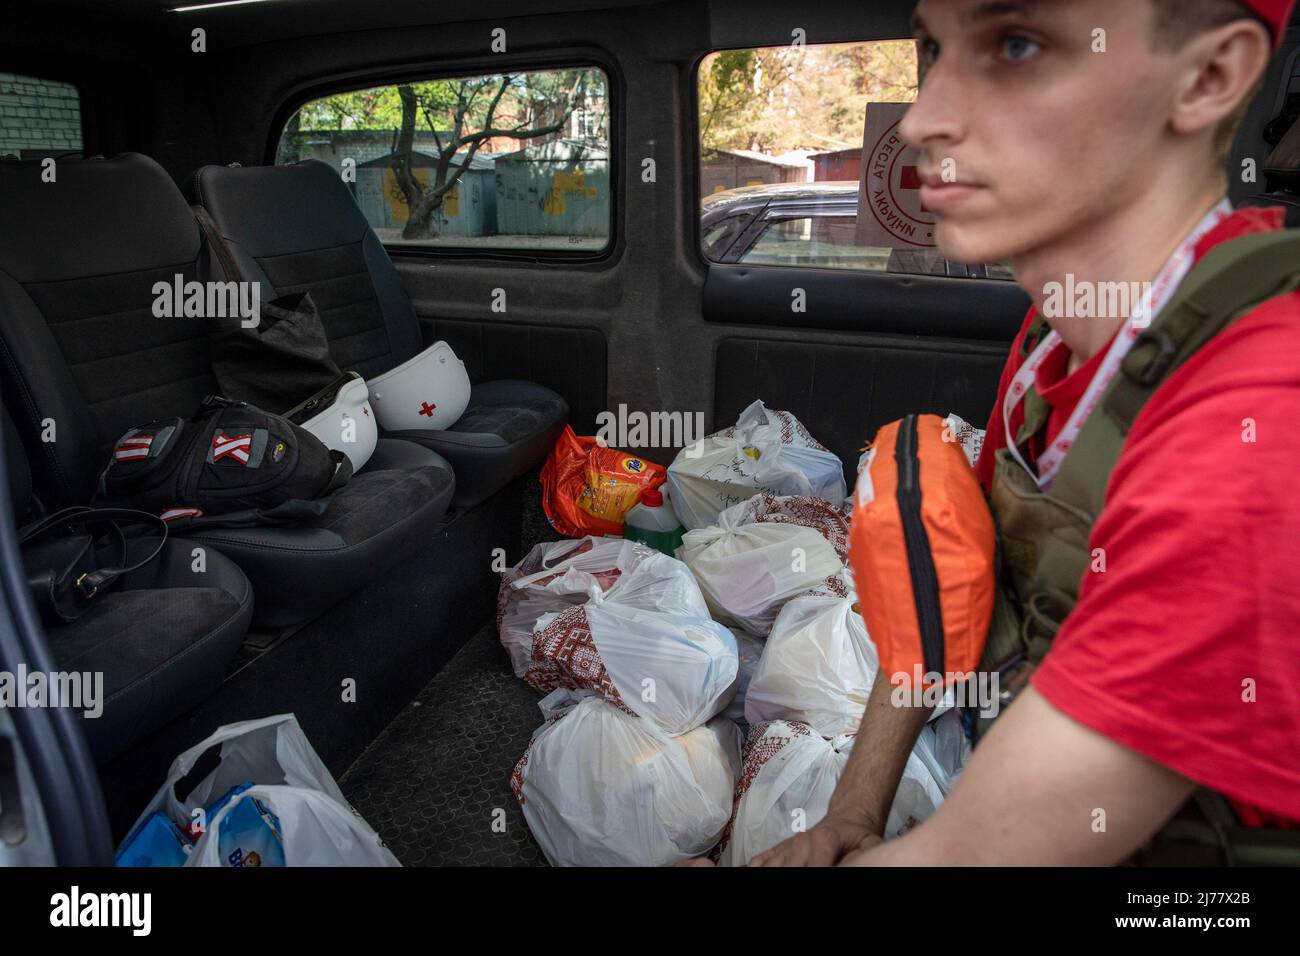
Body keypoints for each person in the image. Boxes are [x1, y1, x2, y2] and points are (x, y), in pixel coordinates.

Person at [741, 0, 1300, 866]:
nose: (925, 117)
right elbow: (956, 569)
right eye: (934, 46)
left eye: (1017, 43)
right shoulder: (1052, 343)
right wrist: (854, 814)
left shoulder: (1262, 419)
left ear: (1208, 78)